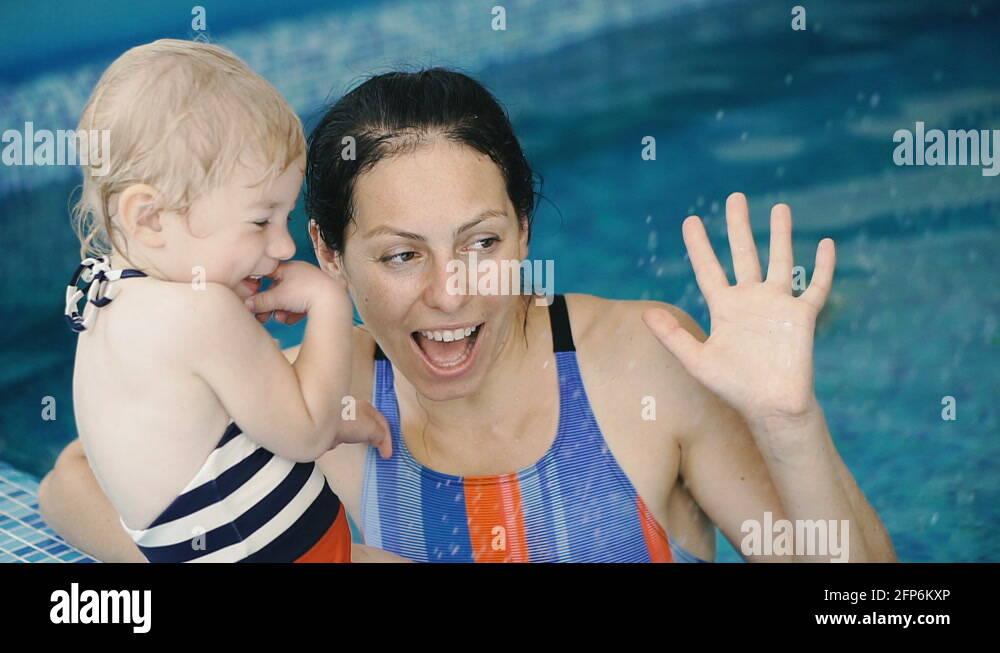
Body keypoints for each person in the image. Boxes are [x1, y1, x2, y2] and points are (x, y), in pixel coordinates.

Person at [41, 68, 896, 563]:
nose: (450, 294)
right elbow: (69, 486)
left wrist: (789, 422)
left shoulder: (646, 359)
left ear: (524, 230)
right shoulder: (314, 397)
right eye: (401, 254)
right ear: (329, 258)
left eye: (482, 243)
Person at [58, 39, 392, 563]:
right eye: (261, 221)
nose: (284, 247)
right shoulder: (199, 312)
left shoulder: (105, 297)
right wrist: (328, 301)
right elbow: (304, 433)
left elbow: (190, 438)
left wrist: (332, 419)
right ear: (150, 218)